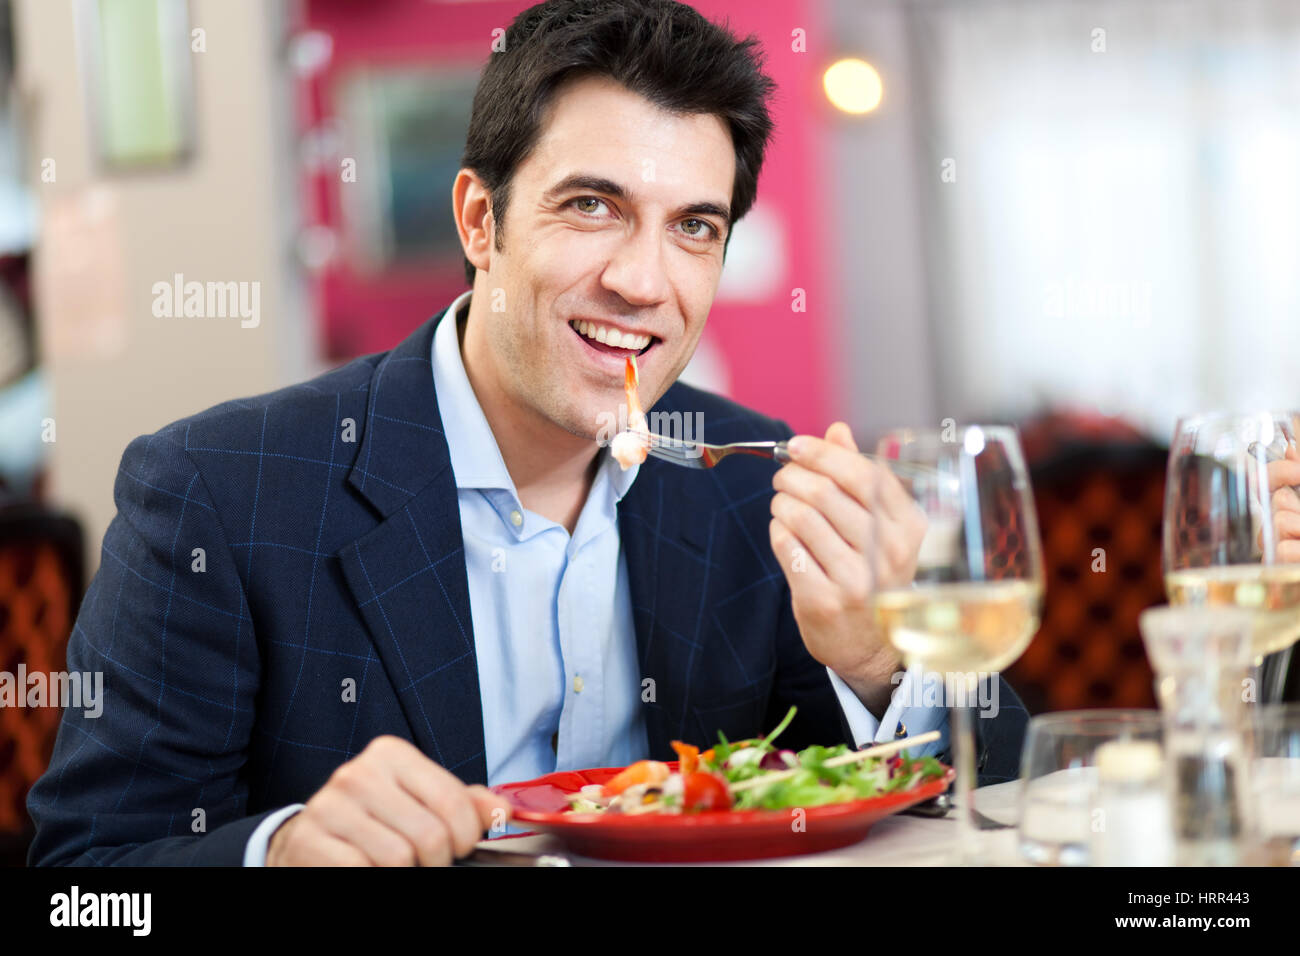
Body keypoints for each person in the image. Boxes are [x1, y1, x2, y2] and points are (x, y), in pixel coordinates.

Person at [28, 0, 1028, 867]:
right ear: (478, 220)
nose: (642, 282)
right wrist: (280, 846)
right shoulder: (218, 492)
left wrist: (882, 666)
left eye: (694, 227)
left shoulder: (756, 481)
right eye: (592, 205)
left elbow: (1010, 790)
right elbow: (85, 882)